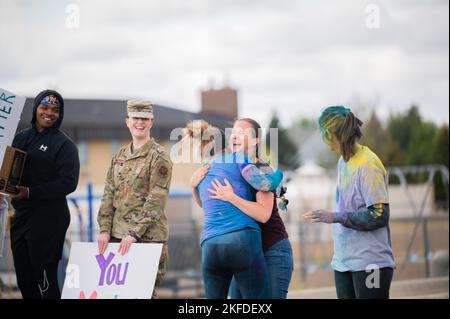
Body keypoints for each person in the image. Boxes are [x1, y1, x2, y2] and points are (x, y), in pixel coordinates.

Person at [303, 106, 395, 299]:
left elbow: (379, 216)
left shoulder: (368, 164)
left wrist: (336, 217)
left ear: (329, 134)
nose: (322, 138)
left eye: (322, 133)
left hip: (370, 264)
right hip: (343, 262)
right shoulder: (342, 162)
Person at [198, 118, 294, 299]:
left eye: (242, 133)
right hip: (246, 252)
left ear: (256, 140)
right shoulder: (230, 165)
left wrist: (232, 197)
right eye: (234, 132)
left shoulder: (261, 168)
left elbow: (263, 215)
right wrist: (193, 185)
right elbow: (208, 205)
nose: (235, 135)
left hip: (272, 251)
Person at [97, 100, 172, 299]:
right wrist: (104, 230)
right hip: (117, 238)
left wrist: (134, 234)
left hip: (146, 239)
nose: (140, 122)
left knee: (143, 294)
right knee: (117, 294)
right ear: (127, 121)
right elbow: (108, 193)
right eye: (136, 118)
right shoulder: (119, 156)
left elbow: (156, 199)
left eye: (145, 119)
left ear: (151, 122)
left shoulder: (159, 156)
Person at [10, 89, 80, 299]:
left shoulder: (64, 145)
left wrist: (31, 192)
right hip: (21, 217)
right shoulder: (20, 138)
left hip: (49, 220)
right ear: (35, 109)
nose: (49, 113)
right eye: (45, 107)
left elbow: (68, 183)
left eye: (55, 110)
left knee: (44, 281)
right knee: (24, 280)